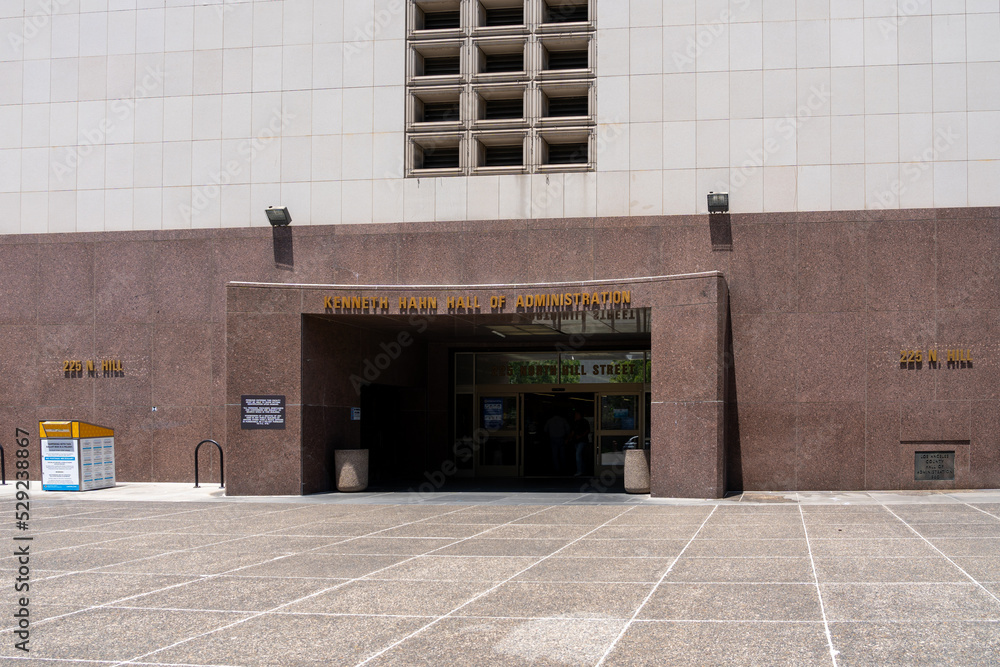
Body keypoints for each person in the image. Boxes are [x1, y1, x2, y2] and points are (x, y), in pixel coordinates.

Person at [543, 411, 571, 475]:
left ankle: (556, 469)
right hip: (561, 438)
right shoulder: (563, 420)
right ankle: (564, 468)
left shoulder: (550, 420)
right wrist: (567, 438)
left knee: (554, 454)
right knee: (562, 454)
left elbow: (545, 429)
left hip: (553, 438)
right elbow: (568, 429)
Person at [570, 410, 591, 476]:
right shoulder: (575, 422)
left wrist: (580, 436)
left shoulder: (584, 421)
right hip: (576, 441)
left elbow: (587, 430)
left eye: (577, 414)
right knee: (580, 455)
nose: (576, 416)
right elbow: (573, 432)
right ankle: (582, 470)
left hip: (582, 441)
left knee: (578, 455)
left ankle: (580, 471)